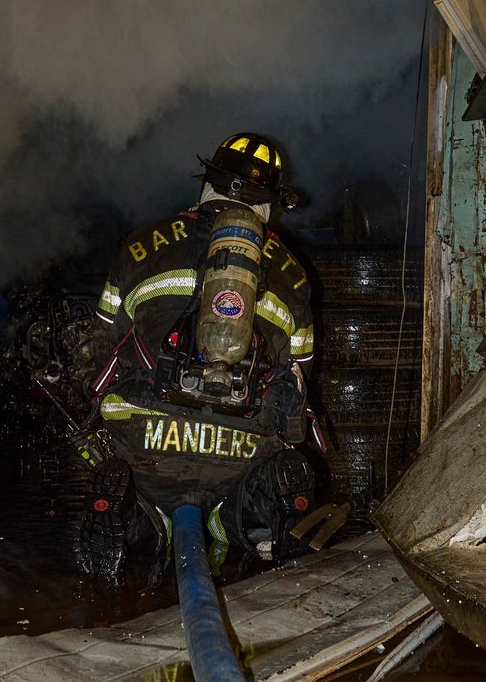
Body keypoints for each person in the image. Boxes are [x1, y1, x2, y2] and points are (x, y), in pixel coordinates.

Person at [71, 135, 333, 580]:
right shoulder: (293, 273)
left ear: (207, 183)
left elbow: (96, 350)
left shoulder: (139, 245)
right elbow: (301, 380)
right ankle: (259, 511)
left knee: (150, 513)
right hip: (241, 449)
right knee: (235, 517)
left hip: (146, 440)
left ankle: (135, 516)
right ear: (270, 206)